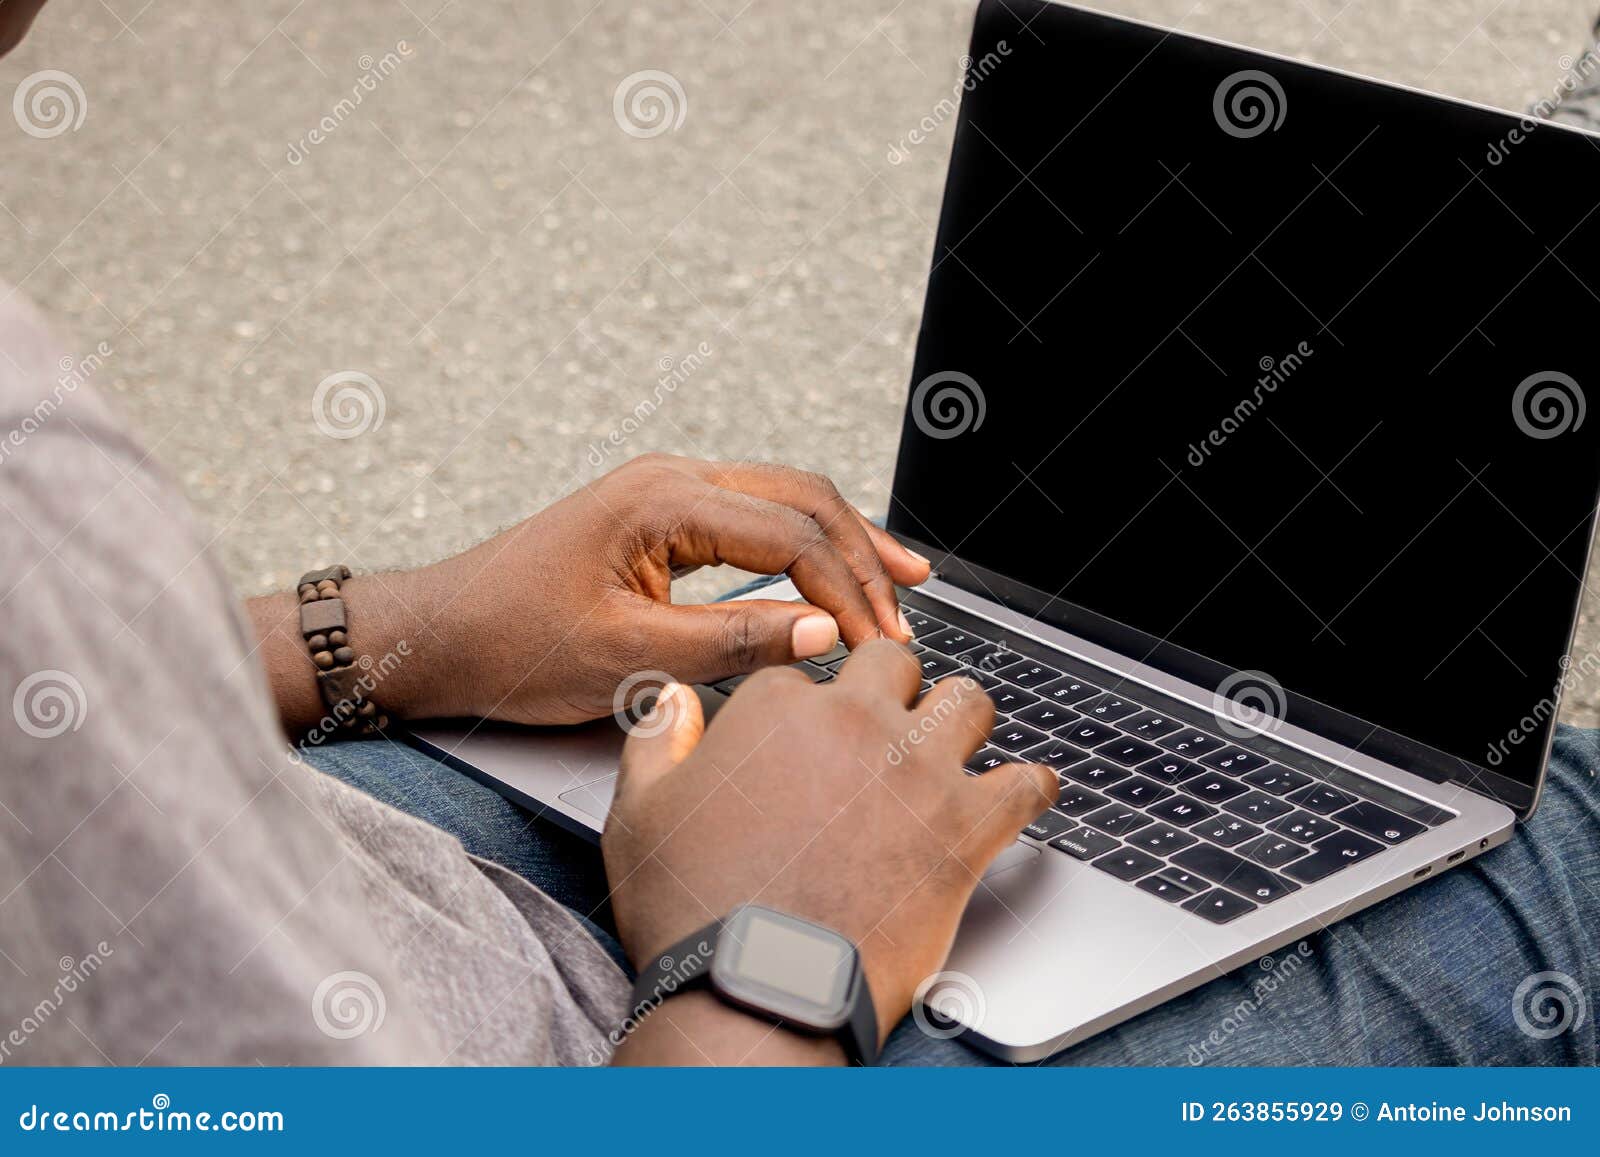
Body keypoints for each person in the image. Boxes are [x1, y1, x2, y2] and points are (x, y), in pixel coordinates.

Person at [2, 1, 1596, 1067]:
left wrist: (375, 635)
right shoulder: (31, 486)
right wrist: (766, 962)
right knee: (1567, 834)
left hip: (364, 887)